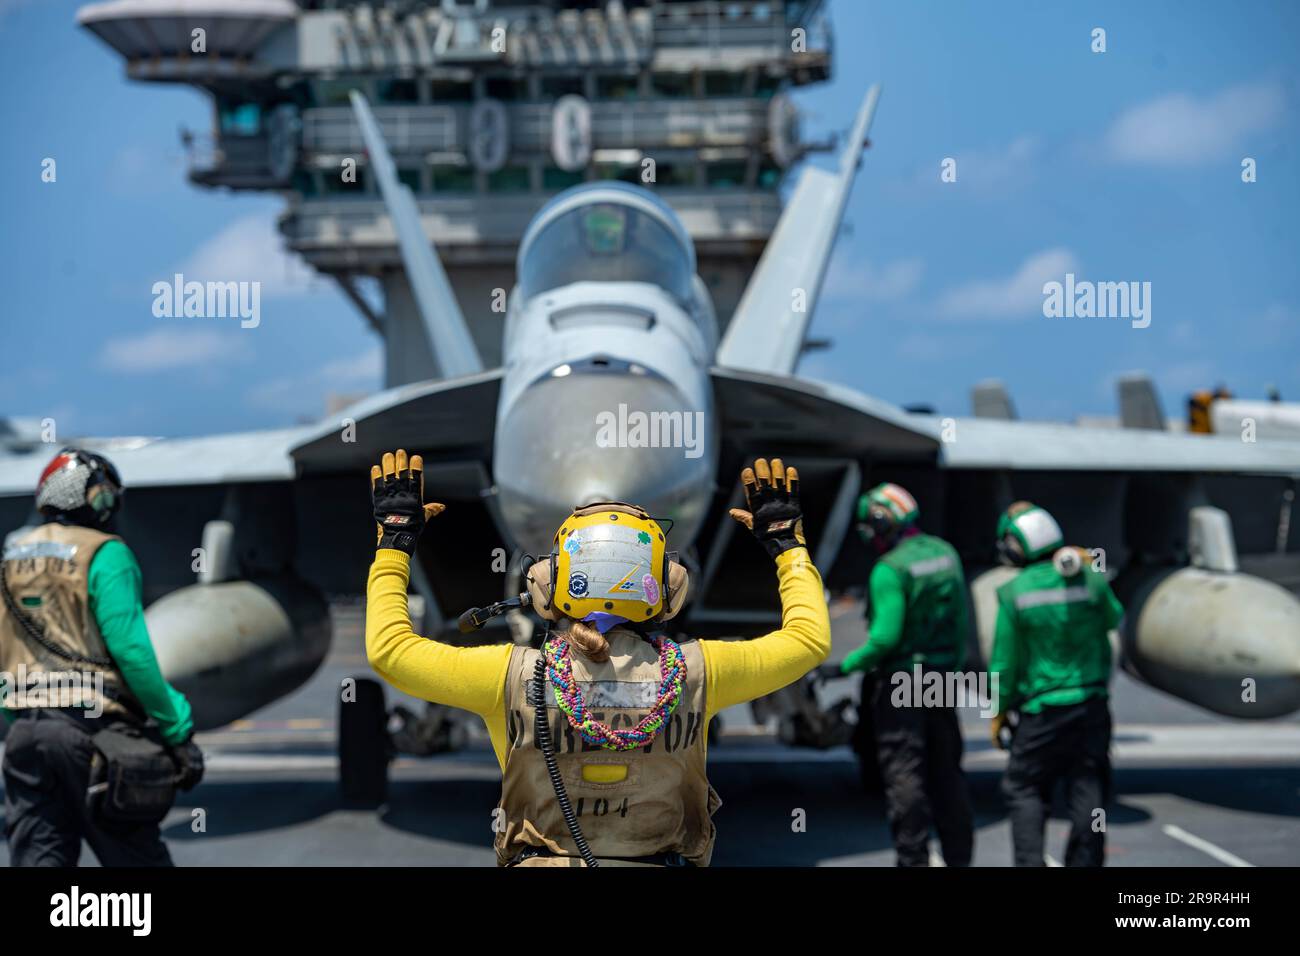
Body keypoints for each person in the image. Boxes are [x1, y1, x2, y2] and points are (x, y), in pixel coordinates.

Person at [365, 450, 830, 866]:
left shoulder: (507, 676)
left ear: (548, 582)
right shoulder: (698, 672)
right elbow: (808, 640)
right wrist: (788, 548)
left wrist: (394, 544)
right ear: (668, 587)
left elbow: (390, 651)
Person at [0, 449, 203, 866]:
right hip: (92, 736)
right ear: (97, 499)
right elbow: (131, 651)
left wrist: (14, 718)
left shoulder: (10, 559)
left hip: (24, 737)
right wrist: (177, 729)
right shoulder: (105, 553)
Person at [836, 482, 974, 867]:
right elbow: (963, 624)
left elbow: (884, 639)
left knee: (905, 778)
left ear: (882, 521)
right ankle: (959, 859)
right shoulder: (946, 555)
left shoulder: (889, 570)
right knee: (948, 774)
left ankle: (912, 860)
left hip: (901, 681)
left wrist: (842, 667)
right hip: (941, 679)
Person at [988, 501, 1123, 867]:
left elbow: (1004, 662)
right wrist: (1093, 571)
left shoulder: (1015, 592)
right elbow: (1114, 617)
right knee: (1088, 793)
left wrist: (998, 711)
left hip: (1041, 714)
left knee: (1025, 788)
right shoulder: (1088, 580)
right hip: (1090, 708)